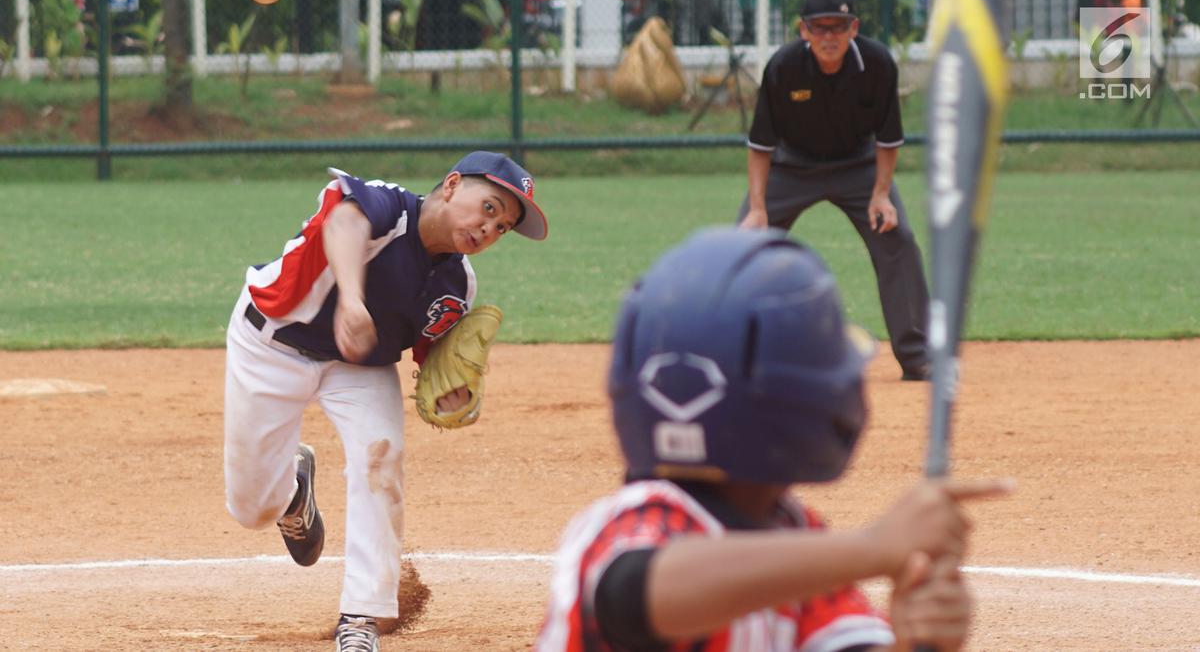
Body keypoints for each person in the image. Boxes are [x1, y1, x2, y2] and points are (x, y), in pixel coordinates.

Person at [536, 228, 1011, 652]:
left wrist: (916, 643)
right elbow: (636, 592)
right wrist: (873, 548)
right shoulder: (626, 526)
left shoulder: (794, 540)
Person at [223, 152, 547, 652]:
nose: (489, 228)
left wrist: (451, 393)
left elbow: (431, 356)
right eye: (488, 207)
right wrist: (351, 299)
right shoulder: (385, 208)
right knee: (251, 507)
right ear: (452, 184)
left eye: (501, 226)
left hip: (360, 367)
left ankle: (361, 620)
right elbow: (343, 221)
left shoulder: (456, 287)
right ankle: (291, 494)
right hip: (272, 343)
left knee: (382, 458)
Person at [739, 0, 932, 381]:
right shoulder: (783, 67)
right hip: (790, 166)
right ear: (803, 30)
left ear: (854, 27)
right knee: (740, 247)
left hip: (858, 166)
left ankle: (918, 356)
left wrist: (881, 194)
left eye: (838, 26)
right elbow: (760, 145)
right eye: (819, 27)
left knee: (897, 239)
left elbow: (888, 139)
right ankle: (732, 349)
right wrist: (758, 208)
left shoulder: (877, 64)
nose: (829, 36)